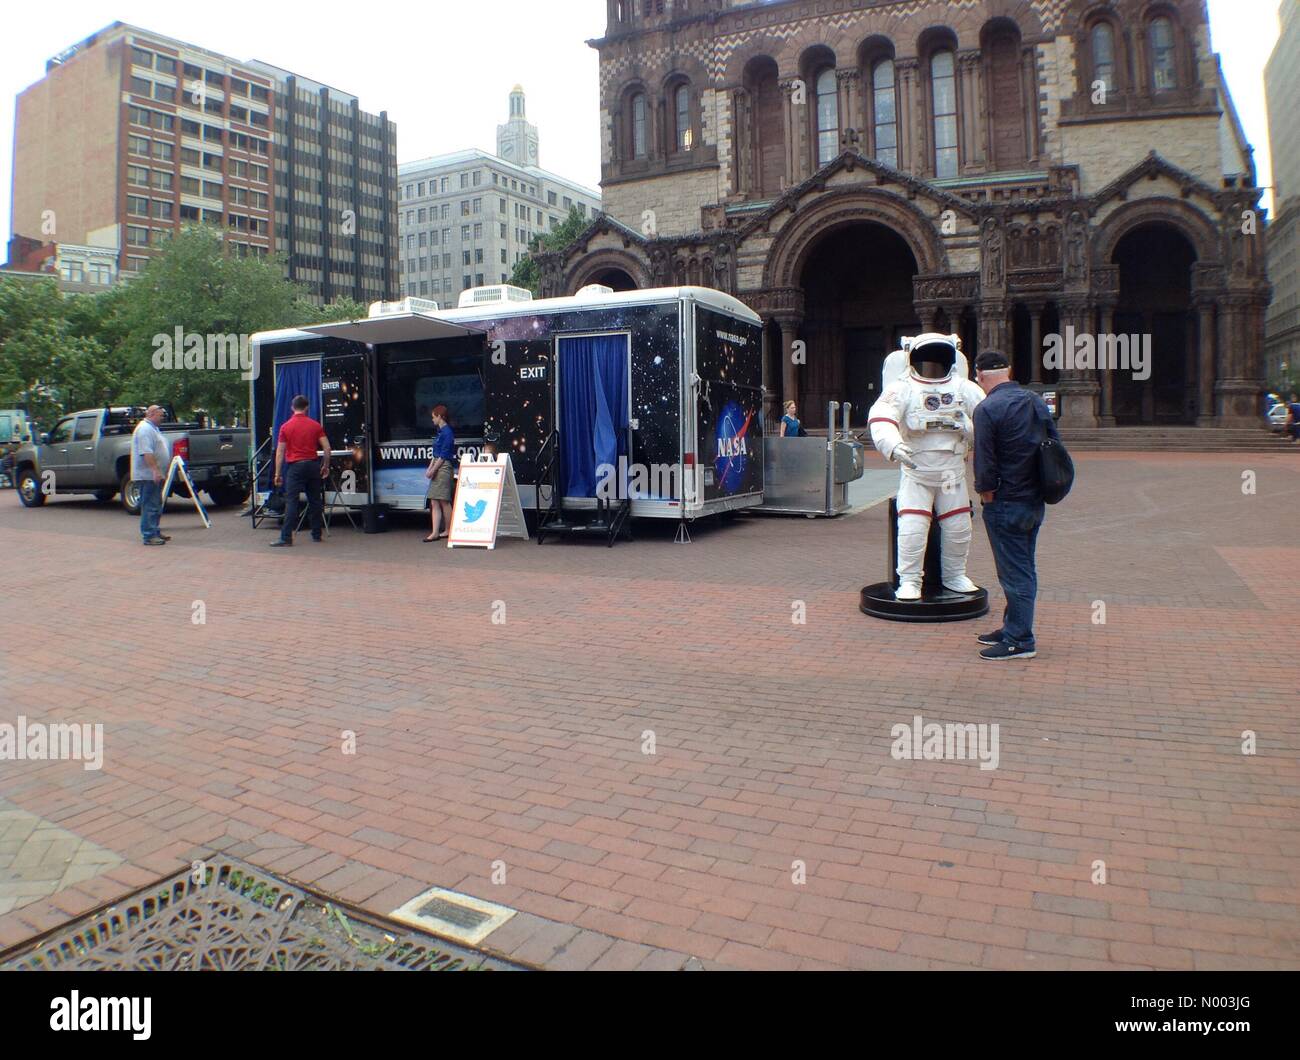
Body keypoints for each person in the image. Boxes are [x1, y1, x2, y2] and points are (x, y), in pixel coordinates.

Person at [868, 334, 985, 600]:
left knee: (959, 527)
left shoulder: (964, 388)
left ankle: (955, 575)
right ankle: (909, 580)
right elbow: (881, 417)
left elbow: (988, 421)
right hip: (916, 472)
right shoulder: (903, 388)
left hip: (951, 474)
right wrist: (894, 445)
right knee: (912, 527)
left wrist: (968, 428)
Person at [971, 350, 1057, 661]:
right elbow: (1054, 444)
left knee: (1014, 572)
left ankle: (1020, 640)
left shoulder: (986, 408)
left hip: (1006, 501)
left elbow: (984, 461)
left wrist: (986, 492)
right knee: (1023, 565)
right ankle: (1012, 626)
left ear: (980, 376)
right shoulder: (1034, 401)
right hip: (1034, 499)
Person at [271, 395, 330, 548]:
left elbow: (280, 452)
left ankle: (286, 537)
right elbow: (327, 448)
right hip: (312, 465)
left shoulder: (285, 427)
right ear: (307, 407)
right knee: (315, 500)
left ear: (292, 407)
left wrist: (277, 473)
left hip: (295, 467)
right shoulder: (315, 425)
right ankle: (316, 534)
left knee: (292, 502)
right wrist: (325, 465)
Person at [131, 405, 171, 546]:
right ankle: (149, 535)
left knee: (156, 503)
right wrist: (155, 470)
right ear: (152, 414)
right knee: (150, 504)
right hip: (147, 475)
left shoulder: (153, 428)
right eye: (160, 415)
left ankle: (154, 531)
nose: (162, 418)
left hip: (154, 474)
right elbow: (146, 452)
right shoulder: (144, 430)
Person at [424, 405, 456, 542]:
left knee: (443, 500)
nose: (432, 420)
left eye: (433, 417)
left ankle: (447, 530)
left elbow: (443, 456)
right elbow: (436, 454)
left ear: (440, 416)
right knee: (435, 500)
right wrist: (430, 468)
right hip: (438, 465)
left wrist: (433, 469)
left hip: (443, 467)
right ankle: (436, 531)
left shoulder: (447, 432)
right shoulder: (440, 432)